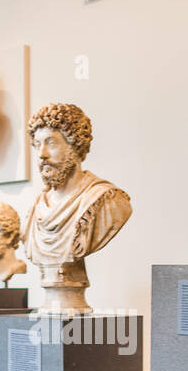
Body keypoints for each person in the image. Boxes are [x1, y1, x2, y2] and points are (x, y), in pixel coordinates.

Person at [22, 103, 131, 314]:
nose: (42, 154)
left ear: (75, 145)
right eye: (37, 144)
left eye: (51, 142)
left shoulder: (106, 200)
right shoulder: (35, 209)